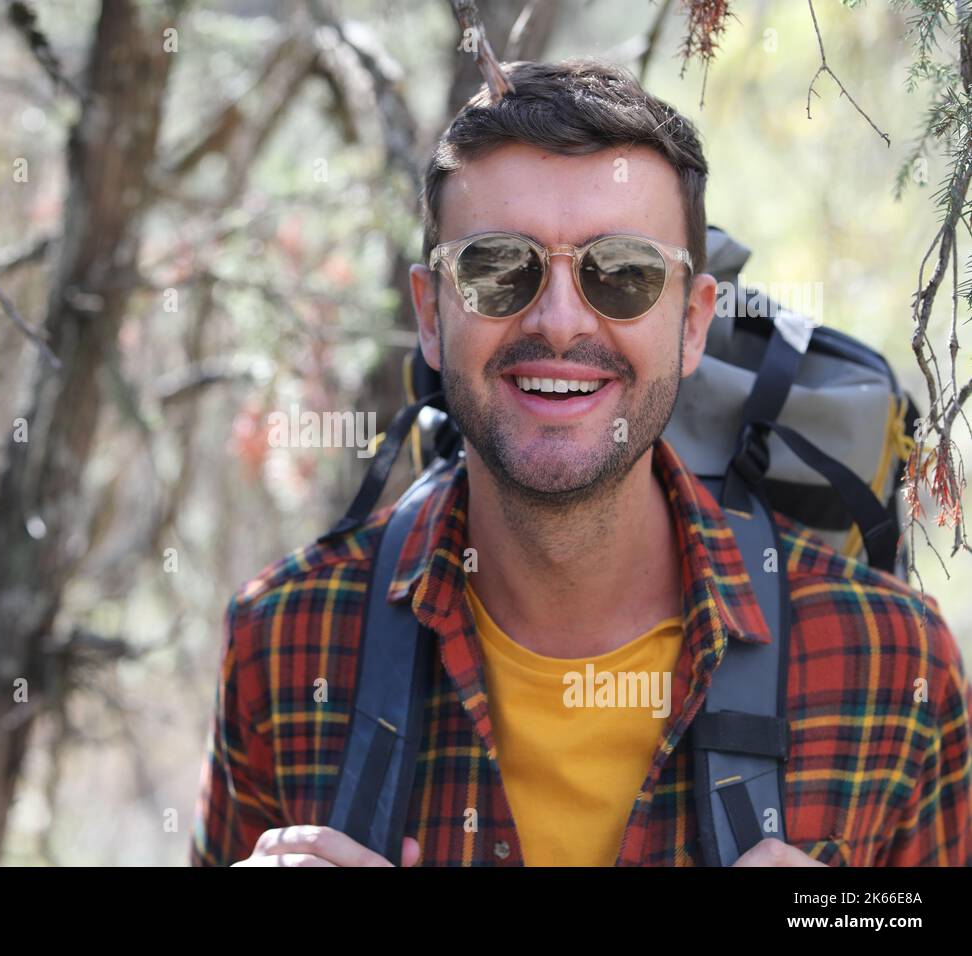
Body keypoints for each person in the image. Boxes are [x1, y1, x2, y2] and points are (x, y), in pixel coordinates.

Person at [190, 58, 971, 867]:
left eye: (624, 274)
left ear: (694, 321)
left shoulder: (893, 667)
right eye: (497, 269)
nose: (561, 322)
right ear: (430, 313)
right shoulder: (283, 644)